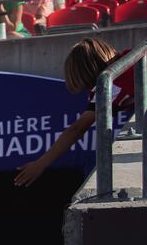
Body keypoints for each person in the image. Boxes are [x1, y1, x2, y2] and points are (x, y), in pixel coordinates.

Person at [15, 38, 129, 187]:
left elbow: (77, 129)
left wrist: (40, 164)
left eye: (87, 84)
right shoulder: (129, 59)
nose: (89, 91)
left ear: (88, 73)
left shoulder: (111, 85)